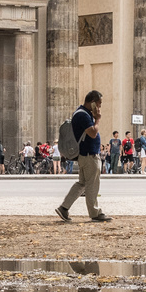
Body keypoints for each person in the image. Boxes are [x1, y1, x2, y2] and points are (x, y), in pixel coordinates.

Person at [57, 89, 110, 223]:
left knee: (82, 183)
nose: (99, 107)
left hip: (85, 154)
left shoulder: (82, 113)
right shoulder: (83, 115)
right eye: (99, 104)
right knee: (92, 184)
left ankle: (64, 207)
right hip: (89, 155)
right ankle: (95, 213)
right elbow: (92, 133)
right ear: (92, 103)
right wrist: (97, 119)